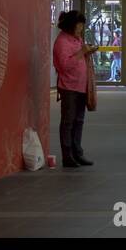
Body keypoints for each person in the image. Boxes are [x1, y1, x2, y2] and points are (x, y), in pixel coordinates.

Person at [52, 11, 98, 168]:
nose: (81, 29)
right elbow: (64, 66)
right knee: (68, 121)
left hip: (81, 86)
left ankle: (78, 152)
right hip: (69, 87)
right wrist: (81, 52)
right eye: (79, 26)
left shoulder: (76, 39)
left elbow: (79, 57)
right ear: (71, 25)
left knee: (79, 121)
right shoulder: (62, 42)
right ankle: (67, 156)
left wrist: (87, 51)